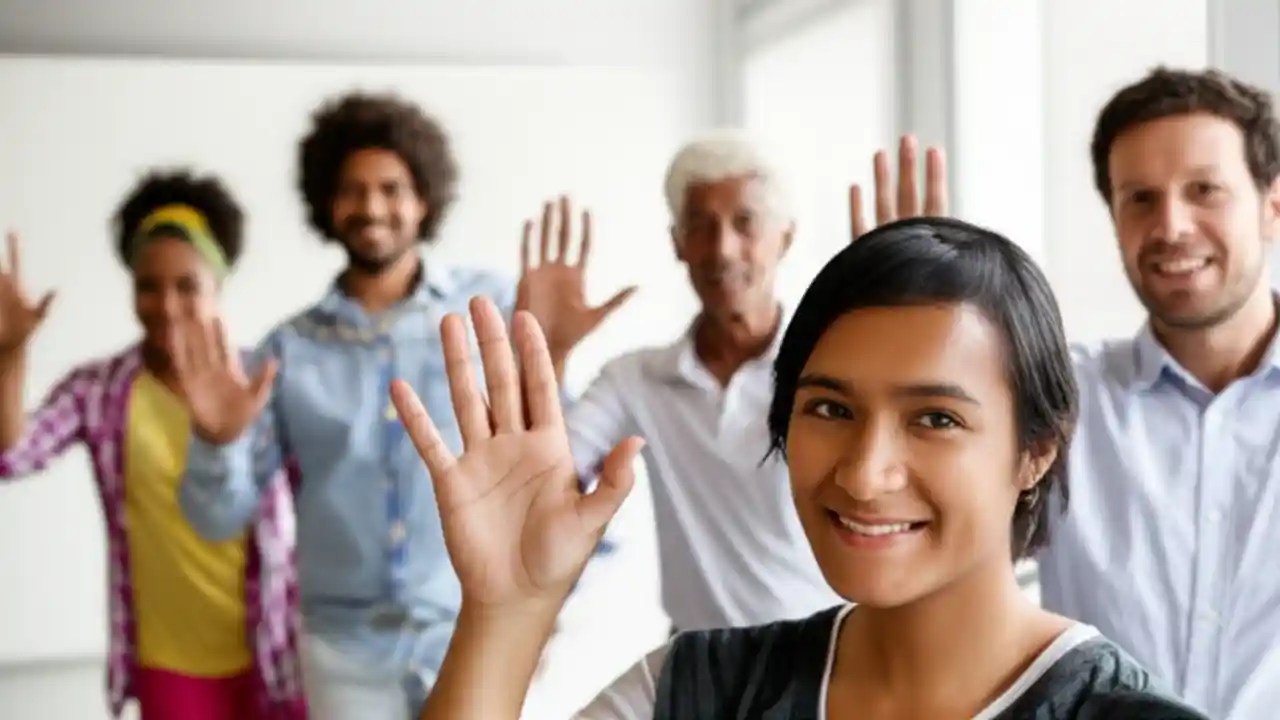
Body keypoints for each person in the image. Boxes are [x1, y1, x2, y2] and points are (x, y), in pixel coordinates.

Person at [394, 217, 1208, 718]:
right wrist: (506, 611)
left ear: (1037, 449)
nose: (865, 472)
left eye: (936, 418)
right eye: (829, 408)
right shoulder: (699, 690)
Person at [174, 91, 630, 720]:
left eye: (392, 187)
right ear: (326, 204)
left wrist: (548, 363)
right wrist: (216, 443)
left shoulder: (489, 311)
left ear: (424, 200)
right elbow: (217, 519)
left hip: (474, 627)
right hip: (342, 656)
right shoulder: (289, 351)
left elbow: (557, 474)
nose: (371, 207)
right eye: (352, 190)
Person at [0, 170, 303, 720]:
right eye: (148, 285)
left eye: (187, 285)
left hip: (276, 653)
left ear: (218, 288)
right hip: (170, 662)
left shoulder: (262, 381)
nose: (166, 304)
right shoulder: (99, 390)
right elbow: (11, 456)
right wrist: (10, 356)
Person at [1031, 67, 1280, 719]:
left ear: (1272, 207)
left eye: (1205, 190)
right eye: (1139, 198)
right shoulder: (1059, 401)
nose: (1171, 225)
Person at [565, 131, 840, 633]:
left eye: (745, 223)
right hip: (698, 665)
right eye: (700, 226)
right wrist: (550, 351)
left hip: (827, 655)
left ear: (786, 237)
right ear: (677, 244)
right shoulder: (635, 381)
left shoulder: (834, 371)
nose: (723, 250)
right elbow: (550, 472)